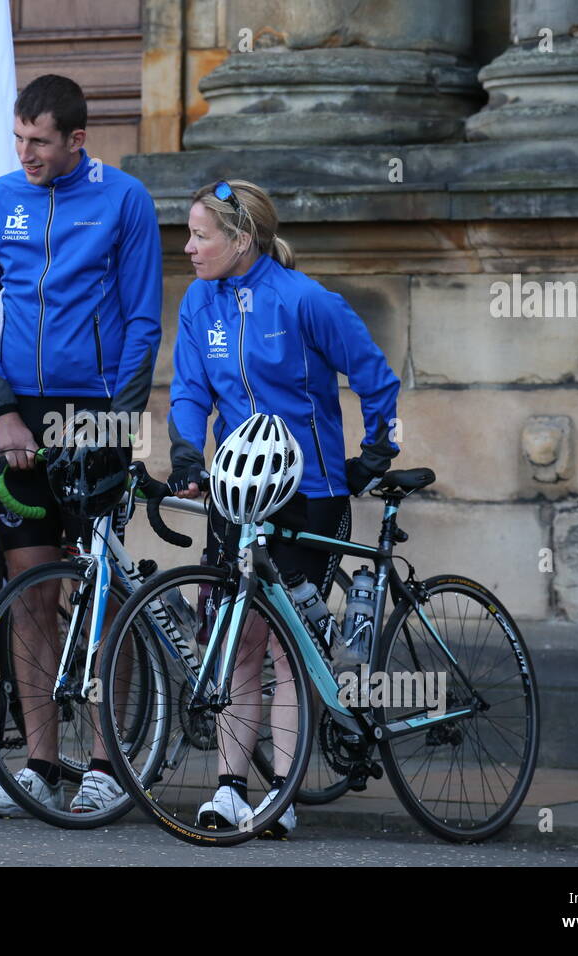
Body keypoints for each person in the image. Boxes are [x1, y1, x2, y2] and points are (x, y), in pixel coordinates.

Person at [0, 74, 162, 816]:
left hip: (96, 411)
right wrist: (2, 411)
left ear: (78, 139)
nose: (26, 152)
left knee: (103, 596)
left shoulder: (124, 199)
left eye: (40, 141)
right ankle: (38, 765)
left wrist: (120, 418)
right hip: (22, 417)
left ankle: (107, 762)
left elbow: (143, 322)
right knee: (31, 591)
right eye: (19, 138)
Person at [167, 179, 401, 835]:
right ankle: (232, 790)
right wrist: (187, 453)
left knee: (283, 649)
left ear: (241, 240)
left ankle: (283, 798)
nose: (187, 248)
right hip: (235, 494)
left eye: (199, 235)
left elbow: (374, 374)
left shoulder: (303, 300)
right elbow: (188, 389)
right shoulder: (198, 303)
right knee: (240, 640)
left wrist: (375, 453)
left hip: (309, 495)